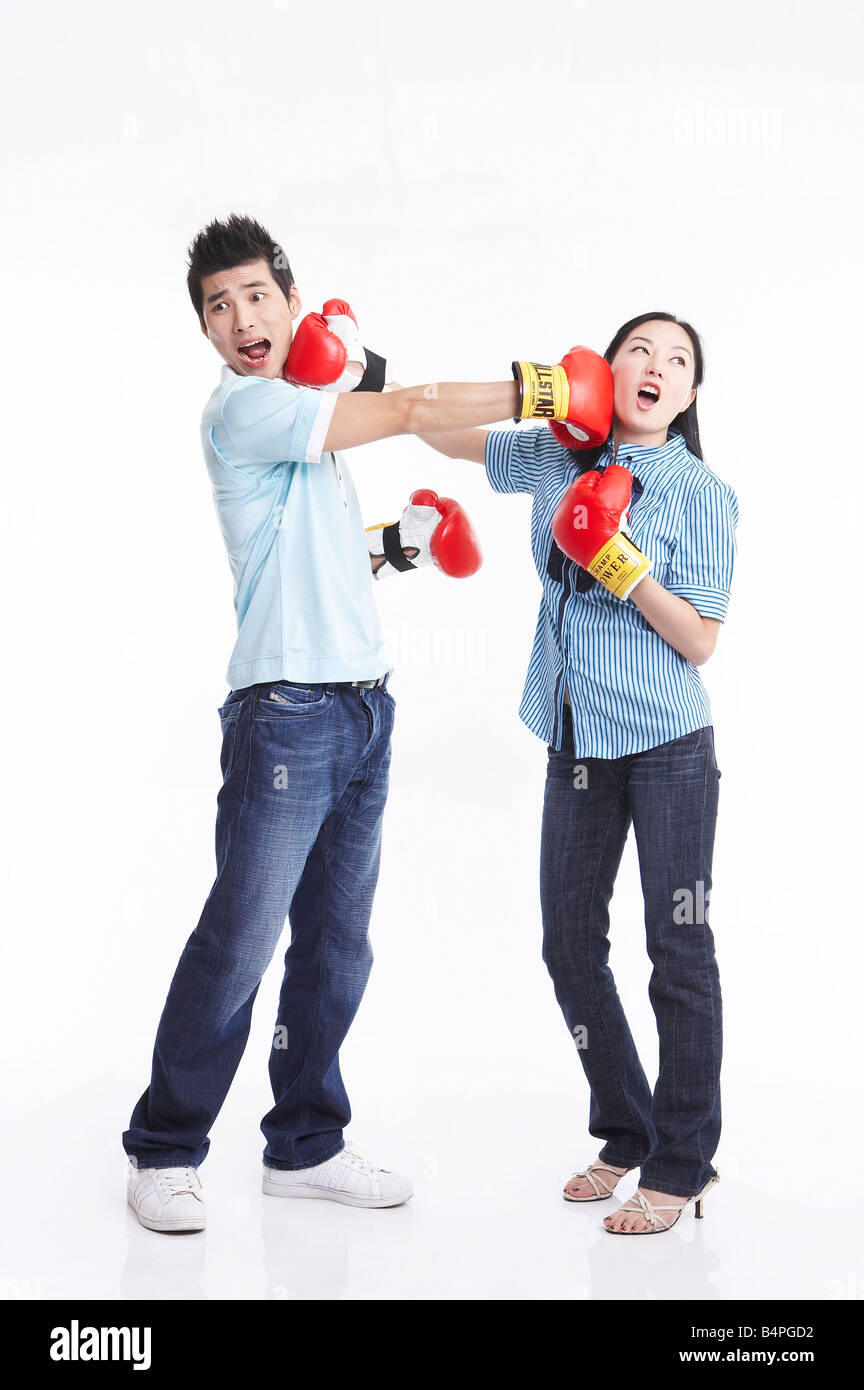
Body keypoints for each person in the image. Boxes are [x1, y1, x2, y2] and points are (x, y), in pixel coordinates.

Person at [122, 212, 604, 1233]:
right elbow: (411, 407)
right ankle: (165, 1147)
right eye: (219, 306)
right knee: (242, 938)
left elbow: (320, 556)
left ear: (293, 304)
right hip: (287, 714)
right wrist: (547, 393)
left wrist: (404, 542)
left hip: (363, 706)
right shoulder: (245, 409)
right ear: (207, 332)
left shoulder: (304, 427)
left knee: (337, 947)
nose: (241, 317)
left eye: (257, 294)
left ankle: (305, 1145)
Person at [416, 312, 739, 1236]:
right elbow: (454, 438)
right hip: (574, 737)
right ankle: (627, 1125)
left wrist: (619, 560)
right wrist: (520, 391)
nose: (657, 366)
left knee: (678, 954)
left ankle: (683, 1162)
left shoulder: (701, 494)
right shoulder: (562, 455)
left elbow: (701, 640)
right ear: (610, 366)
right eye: (641, 348)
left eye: (678, 362)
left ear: (684, 398)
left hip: (669, 746)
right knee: (568, 946)